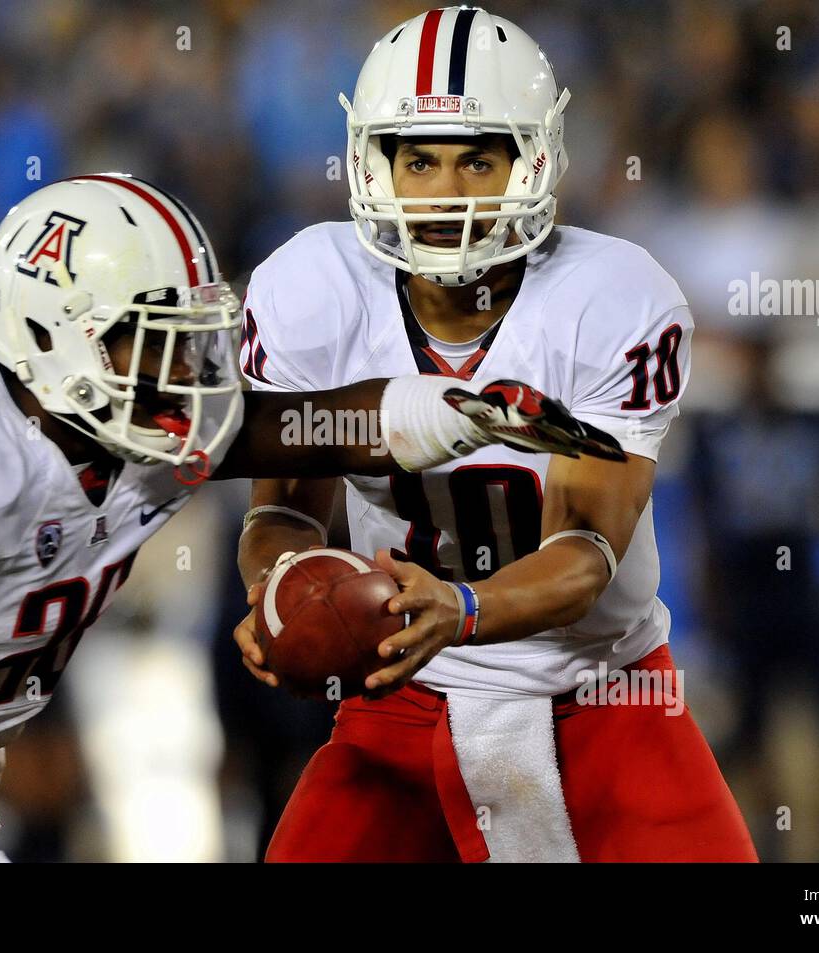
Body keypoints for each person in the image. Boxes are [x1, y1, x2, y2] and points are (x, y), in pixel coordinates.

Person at [0, 173, 600, 862]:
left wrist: (464, 407)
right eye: (151, 336)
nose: (187, 368)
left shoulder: (130, 419)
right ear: (56, 335)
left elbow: (319, 425)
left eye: (193, 335)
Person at [234, 8, 757, 862]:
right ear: (375, 164)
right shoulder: (311, 287)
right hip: (401, 695)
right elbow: (283, 512)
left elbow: (588, 552)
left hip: (601, 697)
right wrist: (282, 592)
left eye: (478, 158)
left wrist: (466, 608)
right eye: (420, 159)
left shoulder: (613, 296)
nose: (443, 191)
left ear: (535, 160)